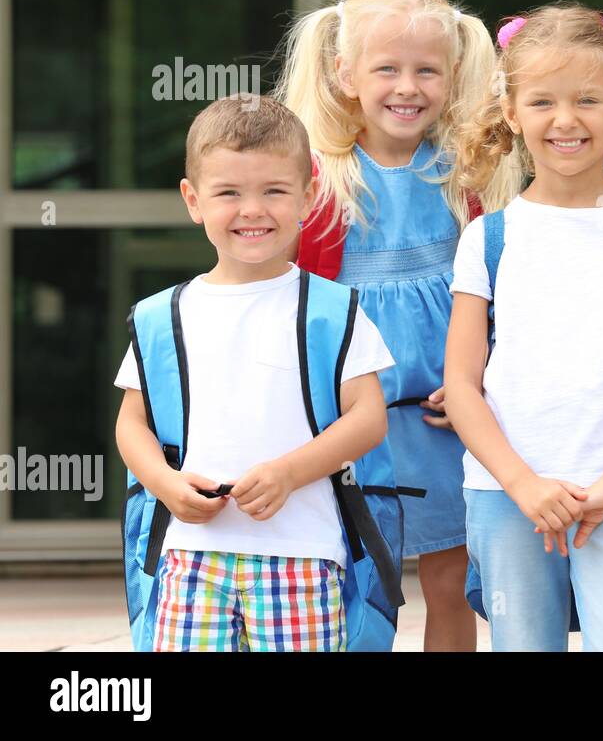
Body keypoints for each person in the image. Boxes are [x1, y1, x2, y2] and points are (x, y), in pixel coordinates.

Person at [444, 3, 603, 651]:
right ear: (512, 113)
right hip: (509, 496)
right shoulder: (487, 240)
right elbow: (462, 386)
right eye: (543, 102)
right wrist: (523, 484)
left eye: (588, 99)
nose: (566, 120)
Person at [278, 0, 517, 651]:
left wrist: (479, 375)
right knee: (355, 583)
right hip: (354, 422)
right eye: (387, 69)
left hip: (448, 418)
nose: (407, 87)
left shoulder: (465, 177)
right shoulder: (322, 182)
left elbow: (498, 297)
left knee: (452, 584)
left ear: (452, 75)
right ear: (345, 73)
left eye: (426, 71)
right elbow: (297, 306)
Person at [115, 95, 394, 651]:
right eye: (228, 193)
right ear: (193, 200)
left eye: (273, 191)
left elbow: (368, 419)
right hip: (189, 555)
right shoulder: (161, 315)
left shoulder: (331, 308)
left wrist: (291, 472)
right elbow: (132, 425)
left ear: (308, 196)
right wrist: (165, 485)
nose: (252, 210)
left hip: (304, 554)